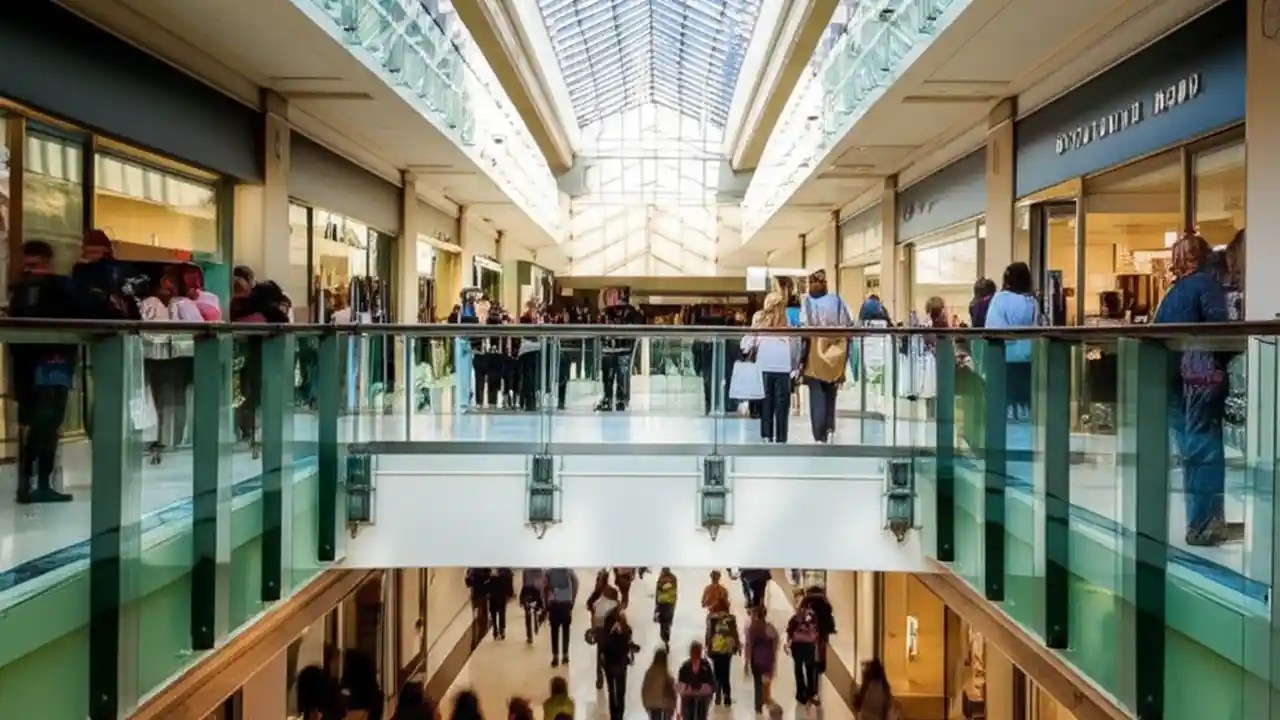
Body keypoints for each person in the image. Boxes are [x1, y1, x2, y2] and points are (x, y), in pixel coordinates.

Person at [1154, 233, 1232, 546]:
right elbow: (1220, 332)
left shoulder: (1173, 294)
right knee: (1207, 450)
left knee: (1190, 452)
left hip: (1172, 379)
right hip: (1201, 377)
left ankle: (1198, 522)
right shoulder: (1208, 286)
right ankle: (1206, 522)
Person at [10, 240, 81, 503]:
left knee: (41, 426)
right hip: (48, 366)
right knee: (44, 426)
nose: (31, 271)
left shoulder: (23, 290)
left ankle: (32, 483)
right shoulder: (54, 287)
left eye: (34, 265)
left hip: (38, 366)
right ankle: (36, 483)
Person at [800, 269, 852, 442]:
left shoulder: (807, 303)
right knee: (831, 391)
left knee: (817, 393)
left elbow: (804, 327)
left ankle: (819, 433)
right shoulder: (837, 301)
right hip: (836, 352)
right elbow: (847, 323)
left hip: (815, 352)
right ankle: (830, 428)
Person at [742, 293, 800, 443]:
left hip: (764, 365)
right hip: (783, 366)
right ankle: (782, 437)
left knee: (766, 402)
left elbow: (748, 343)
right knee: (782, 405)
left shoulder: (759, 319)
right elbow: (794, 345)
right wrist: (794, 365)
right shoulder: (787, 321)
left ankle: (766, 435)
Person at [986, 262, 1038, 420]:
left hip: (1004, 357)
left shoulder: (1000, 300)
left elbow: (992, 328)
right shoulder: (1032, 302)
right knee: (1025, 404)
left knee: (1005, 404)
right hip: (1027, 358)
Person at [599, 610, 640, 720]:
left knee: (612, 691)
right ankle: (620, 715)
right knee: (621, 692)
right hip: (620, 665)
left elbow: (603, 648)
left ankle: (614, 716)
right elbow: (628, 646)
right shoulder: (627, 631)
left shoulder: (606, 633)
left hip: (610, 665)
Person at [744, 605, 779, 714]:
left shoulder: (753, 628)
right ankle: (766, 699)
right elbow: (776, 641)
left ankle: (758, 706)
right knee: (766, 681)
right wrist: (773, 653)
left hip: (757, 659)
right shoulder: (769, 626)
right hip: (768, 658)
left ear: (756, 615)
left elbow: (749, 645)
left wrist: (747, 661)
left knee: (757, 682)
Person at [587, 577, 622, 689]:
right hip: (611, 631)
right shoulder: (612, 594)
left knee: (600, 653)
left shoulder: (597, 596)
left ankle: (600, 678)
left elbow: (591, 609)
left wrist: (593, 630)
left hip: (601, 630)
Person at [704, 598, 740, 706]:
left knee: (716, 673)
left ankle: (717, 696)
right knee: (726, 673)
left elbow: (709, 633)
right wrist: (737, 645)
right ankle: (727, 696)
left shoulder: (711, 618)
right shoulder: (730, 618)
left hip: (715, 648)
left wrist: (708, 646)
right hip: (727, 649)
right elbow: (734, 633)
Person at [786, 599, 822, 705]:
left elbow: (789, 631)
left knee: (799, 669)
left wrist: (788, 642)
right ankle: (810, 693)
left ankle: (801, 693)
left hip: (798, 646)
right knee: (809, 669)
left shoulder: (795, 618)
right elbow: (817, 632)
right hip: (807, 646)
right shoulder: (812, 617)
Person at [544, 567, 580, 667]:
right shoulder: (568, 570)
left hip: (554, 603)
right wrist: (572, 598)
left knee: (554, 631)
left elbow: (545, 586)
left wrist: (546, 602)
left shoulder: (549, 571)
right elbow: (576, 583)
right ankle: (565, 655)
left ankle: (555, 656)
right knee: (566, 630)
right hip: (565, 603)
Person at [676, 641, 716, 720]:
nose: (695, 654)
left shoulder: (706, 665)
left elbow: (711, 683)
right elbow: (680, 685)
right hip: (688, 697)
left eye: (697, 651)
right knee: (688, 712)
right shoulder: (685, 666)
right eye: (693, 651)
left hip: (702, 697)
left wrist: (706, 688)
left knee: (701, 712)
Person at [641, 648, 678, 720]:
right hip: (663, 704)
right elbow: (670, 691)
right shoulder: (665, 673)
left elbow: (644, 689)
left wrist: (645, 703)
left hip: (650, 704)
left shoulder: (649, 672)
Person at [484, 568, 515, 640]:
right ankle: (501, 630)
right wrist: (509, 594)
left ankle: (495, 631)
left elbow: (487, 588)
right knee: (502, 614)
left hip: (493, 598)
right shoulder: (503, 577)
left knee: (494, 615)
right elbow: (507, 585)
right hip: (501, 597)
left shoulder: (490, 578)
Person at [519, 568, 546, 643]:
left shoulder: (526, 569)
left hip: (528, 591)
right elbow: (543, 582)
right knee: (537, 609)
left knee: (528, 614)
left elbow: (524, 582)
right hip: (536, 591)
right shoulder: (540, 569)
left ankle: (529, 635)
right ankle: (536, 625)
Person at [653, 567, 679, 646]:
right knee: (666, 622)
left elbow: (659, 590)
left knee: (664, 622)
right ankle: (666, 638)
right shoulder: (673, 578)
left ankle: (665, 638)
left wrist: (657, 604)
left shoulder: (663, 578)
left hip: (664, 603)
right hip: (669, 603)